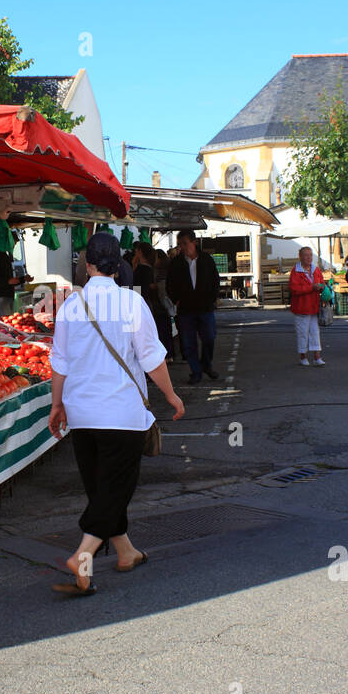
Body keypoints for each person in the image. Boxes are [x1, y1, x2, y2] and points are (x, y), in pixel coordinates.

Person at [47, 232, 184, 596]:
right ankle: (82, 556)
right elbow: (151, 357)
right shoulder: (131, 303)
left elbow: (58, 361)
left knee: (102, 490)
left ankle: (125, 553)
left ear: (87, 264)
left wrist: (56, 404)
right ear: (117, 264)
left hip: (81, 412)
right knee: (113, 491)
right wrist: (171, 396)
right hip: (121, 413)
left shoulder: (70, 307)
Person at [166, 229, 220, 384]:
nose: (182, 247)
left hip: (205, 308)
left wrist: (211, 299)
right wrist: (176, 300)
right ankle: (196, 371)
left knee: (209, 337)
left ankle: (206, 365)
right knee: (189, 343)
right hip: (186, 310)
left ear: (194, 242)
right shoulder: (176, 263)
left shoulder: (206, 260)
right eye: (180, 244)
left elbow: (215, 281)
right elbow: (170, 284)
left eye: (185, 243)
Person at [289, 246, 326, 366]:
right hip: (301, 307)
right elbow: (294, 289)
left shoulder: (315, 269)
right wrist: (312, 287)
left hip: (314, 306)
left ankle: (317, 356)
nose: (309, 258)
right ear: (300, 256)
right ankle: (303, 356)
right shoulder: (296, 271)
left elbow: (322, 282)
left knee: (315, 332)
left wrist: (322, 287)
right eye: (306, 255)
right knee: (303, 333)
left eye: (310, 255)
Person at [0, 246, 30, 317]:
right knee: (6, 322)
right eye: (13, 243)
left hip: (8, 295)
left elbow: (11, 280)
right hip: (1, 295)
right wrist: (8, 281)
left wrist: (23, 279)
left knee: (8, 321)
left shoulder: (5, 255)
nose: (13, 246)